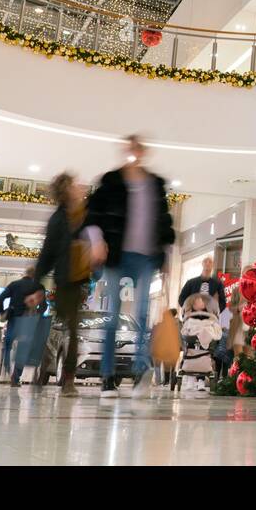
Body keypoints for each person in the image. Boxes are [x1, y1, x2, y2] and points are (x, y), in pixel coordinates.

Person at [84, 135, 176, 398]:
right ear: (126, 150)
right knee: (113, 315)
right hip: (117, 255)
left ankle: (139, 372)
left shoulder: (155, 184)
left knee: (144, 314)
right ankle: (107, 376)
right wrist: (97, 241)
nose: (135, 152)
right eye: (131, 148)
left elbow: (164, 223)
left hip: (146, 257)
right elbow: (92, 213)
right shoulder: (111, 181)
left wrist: (166, 256)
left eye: (139, 148)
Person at [35, 172, 92, 397]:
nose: (79, 186)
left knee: (71, 329)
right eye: (74, 184)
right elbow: (48, 252)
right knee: (68, 329)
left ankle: (65, 376)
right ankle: (63, 377)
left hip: (82, 280)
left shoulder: (85, 215)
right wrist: (36, 284)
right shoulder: (58, 219)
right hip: (65, 281)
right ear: (66, 190)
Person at [0, 266, 46, 388]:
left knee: (8, 345)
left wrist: (2, 311)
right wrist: (38, 314)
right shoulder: (39, 287)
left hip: (13, 318)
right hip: (29, 320)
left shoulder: (14, 284)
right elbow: (44, 306)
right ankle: (16, 376)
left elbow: (1, 298)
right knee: (23, 349)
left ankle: (7, 369)